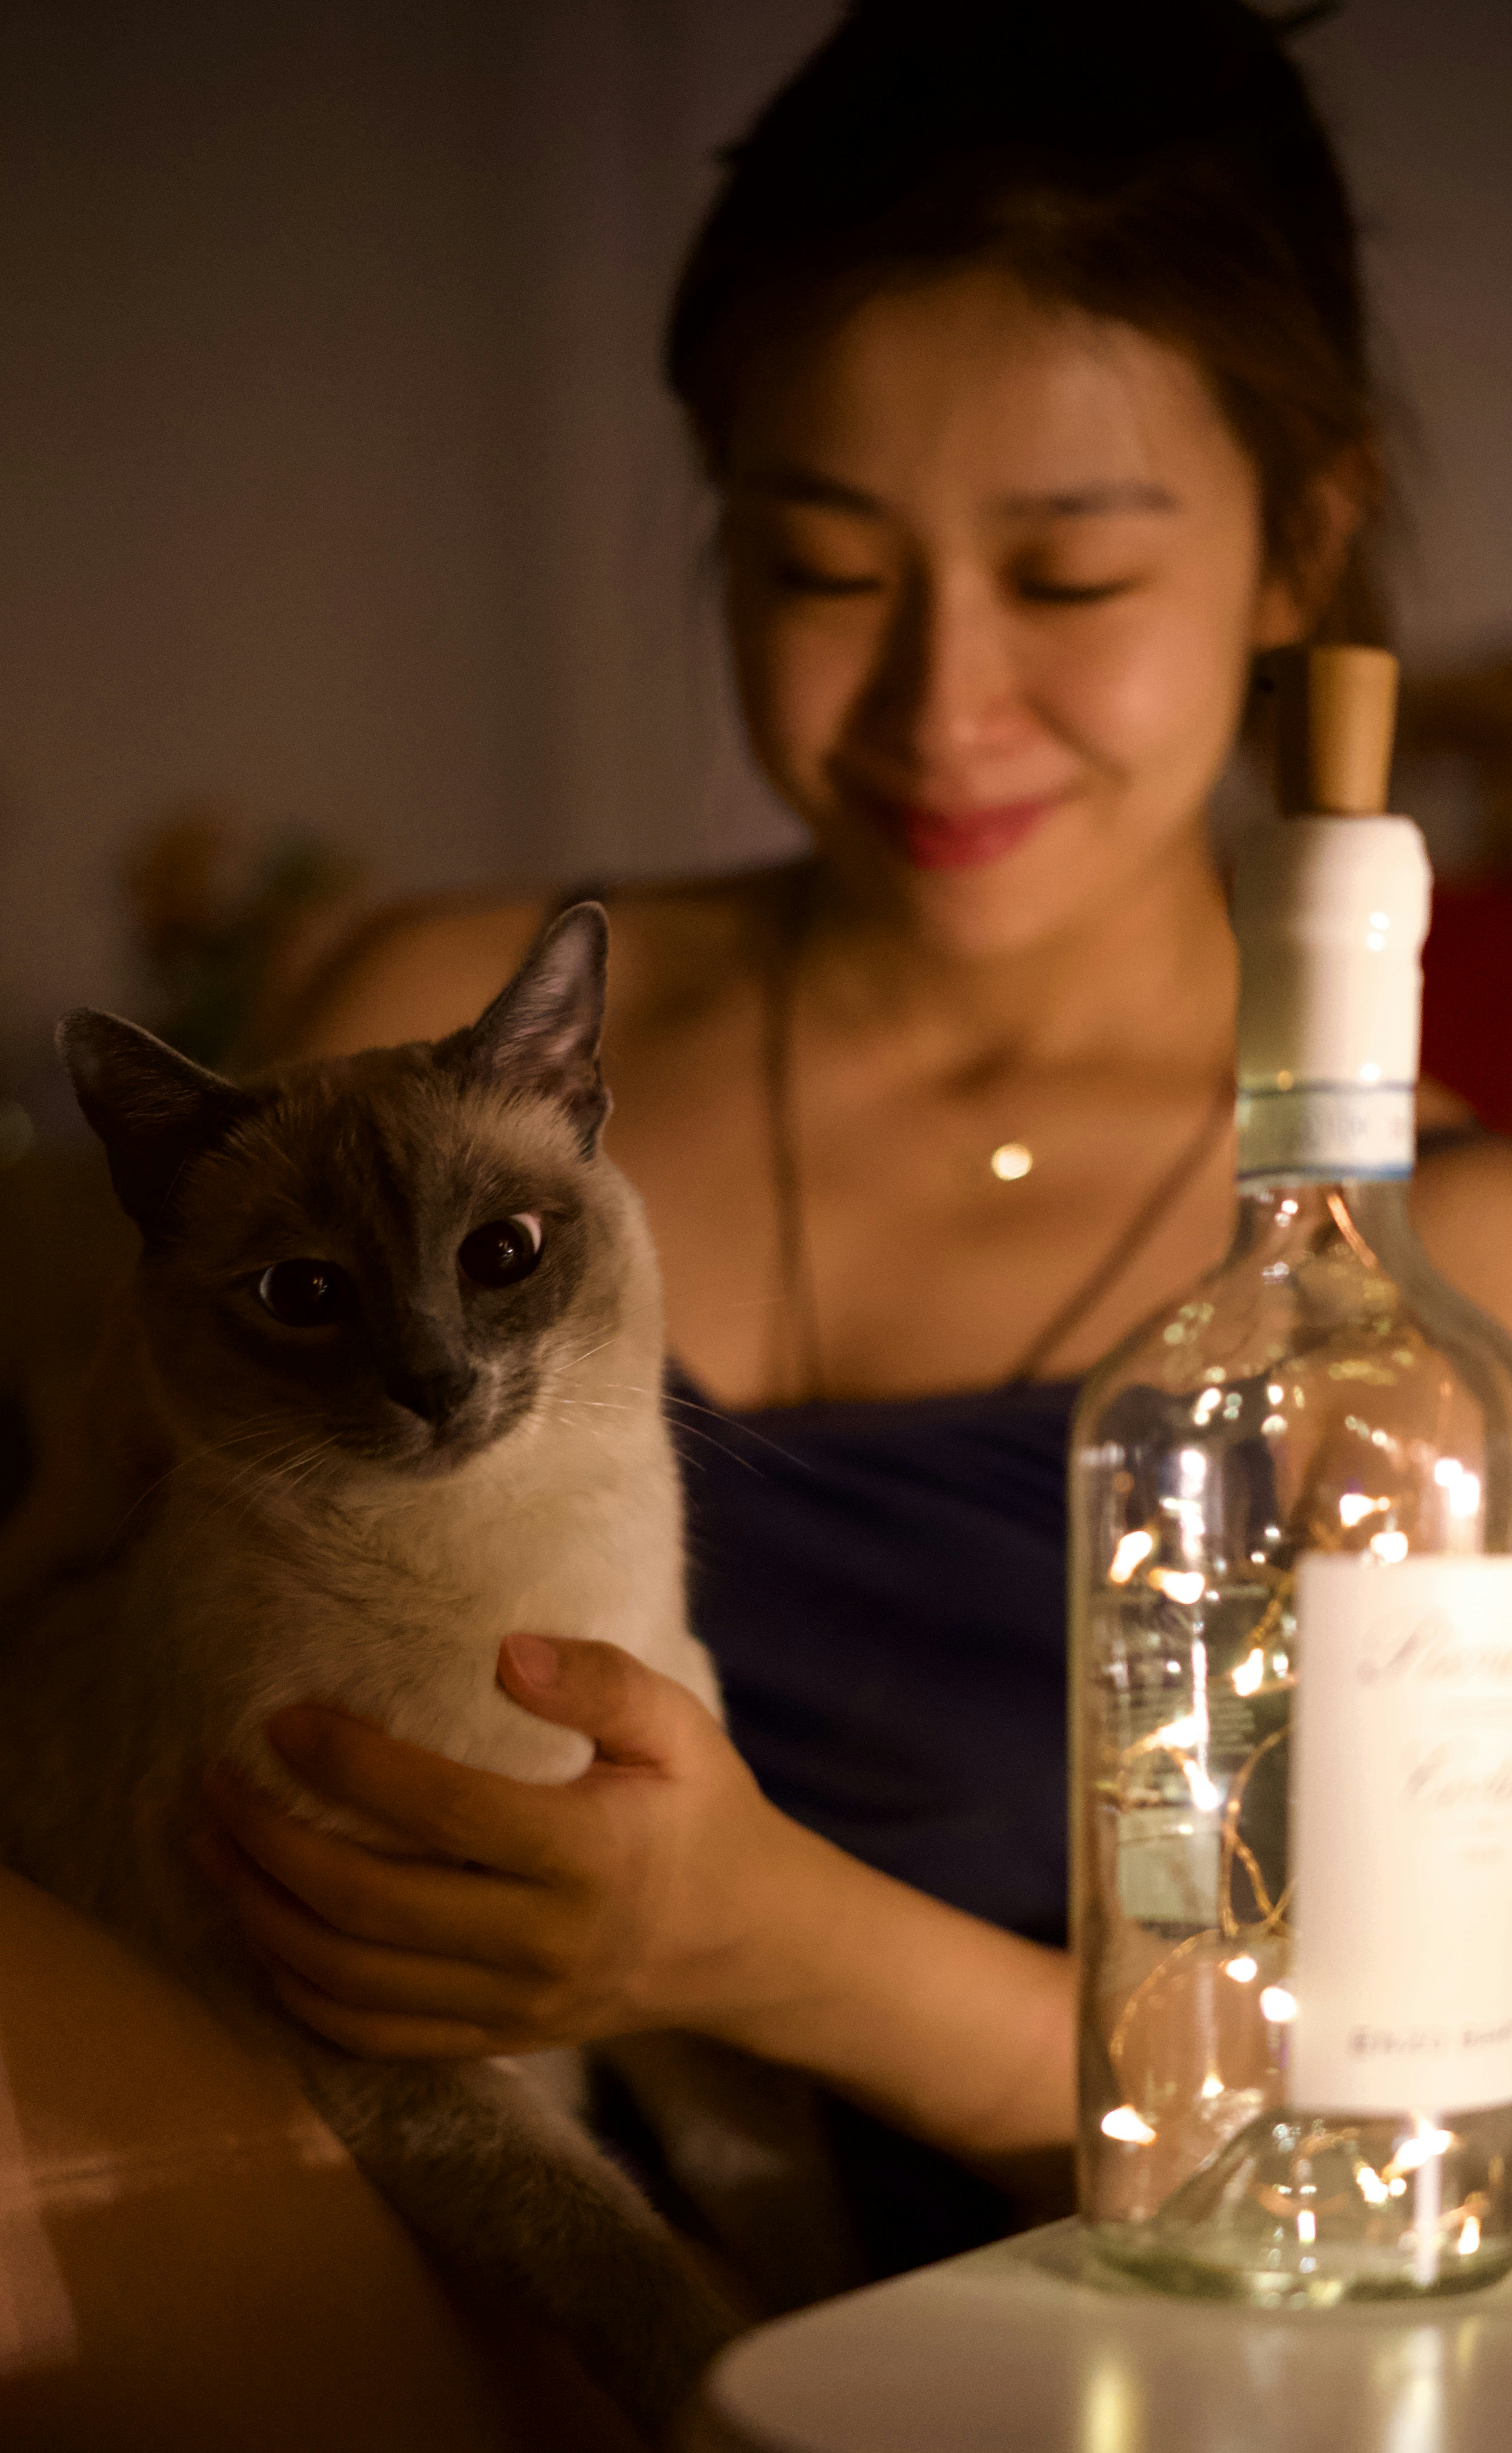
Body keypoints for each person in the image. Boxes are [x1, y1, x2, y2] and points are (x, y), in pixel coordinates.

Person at [200, 0, 1512, 2299]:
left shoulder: (1423, 1281)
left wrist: (763, 1949)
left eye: (1067, 582)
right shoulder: (439, 1042)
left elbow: (1412, 2118)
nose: (939, 708)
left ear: (1299, 538)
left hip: (1021, 2349)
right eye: (822, 571)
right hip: (313, 2219)